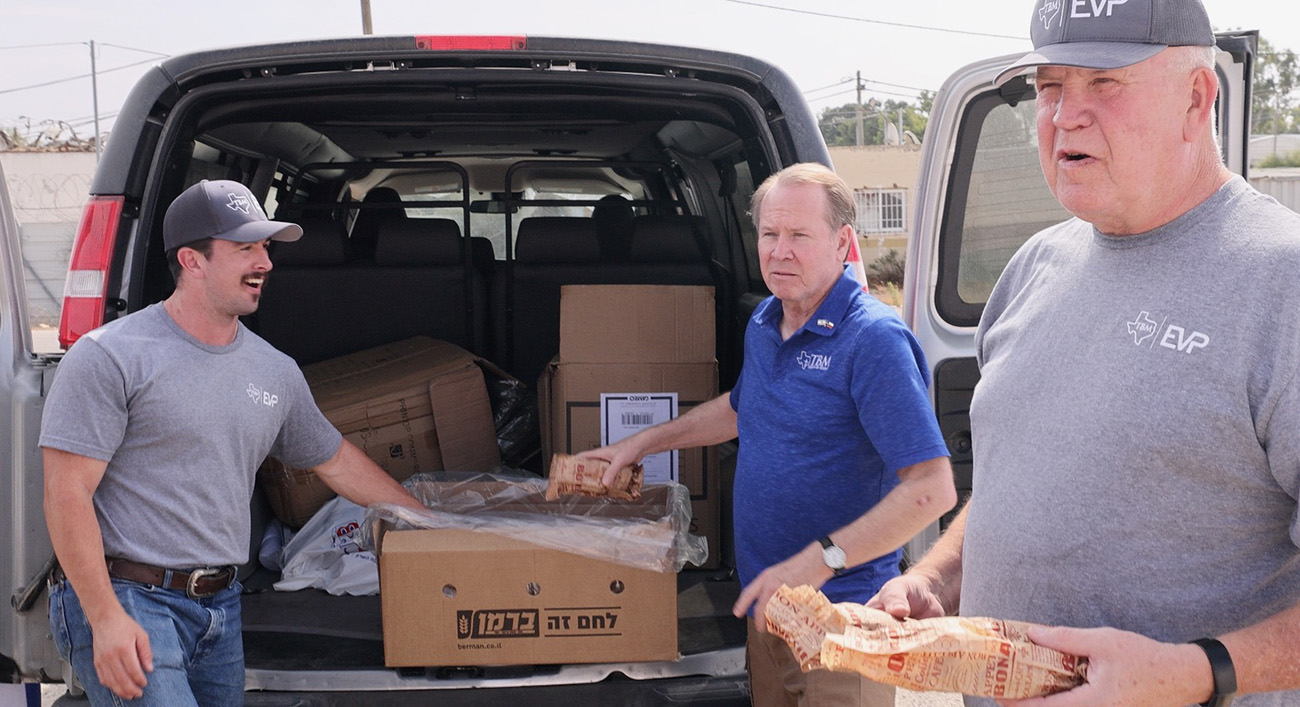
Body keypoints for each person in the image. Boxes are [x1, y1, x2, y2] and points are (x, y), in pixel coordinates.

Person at [869, 1, 1300, 706]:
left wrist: (1199, 670)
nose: (1065, 115)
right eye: (1049, 88)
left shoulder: (1283, 282)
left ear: (1197, 99)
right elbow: (1017, 480)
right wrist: (937, 577)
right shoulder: (1034, 266)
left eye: (1104, 82)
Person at [40, 179, 428, 706]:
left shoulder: (274, 370)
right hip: (128, 597)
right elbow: (66, 495)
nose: (265, 262)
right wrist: (105, 618)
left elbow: (335, 460)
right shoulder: (111, 357)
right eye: (246, 248)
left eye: (265, 247)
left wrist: (427, 519)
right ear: (192, 261)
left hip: (221, 604)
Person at [584, 163, 955, 707]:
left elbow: (932, 489)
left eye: (799, 235)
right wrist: (638, 444)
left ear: (842, 241)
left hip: (843, 617)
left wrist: (817, 561)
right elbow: (740, 410)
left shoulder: (873, 340)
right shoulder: (766, 319)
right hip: (768, 603)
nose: (780, 251)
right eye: (769, 234)